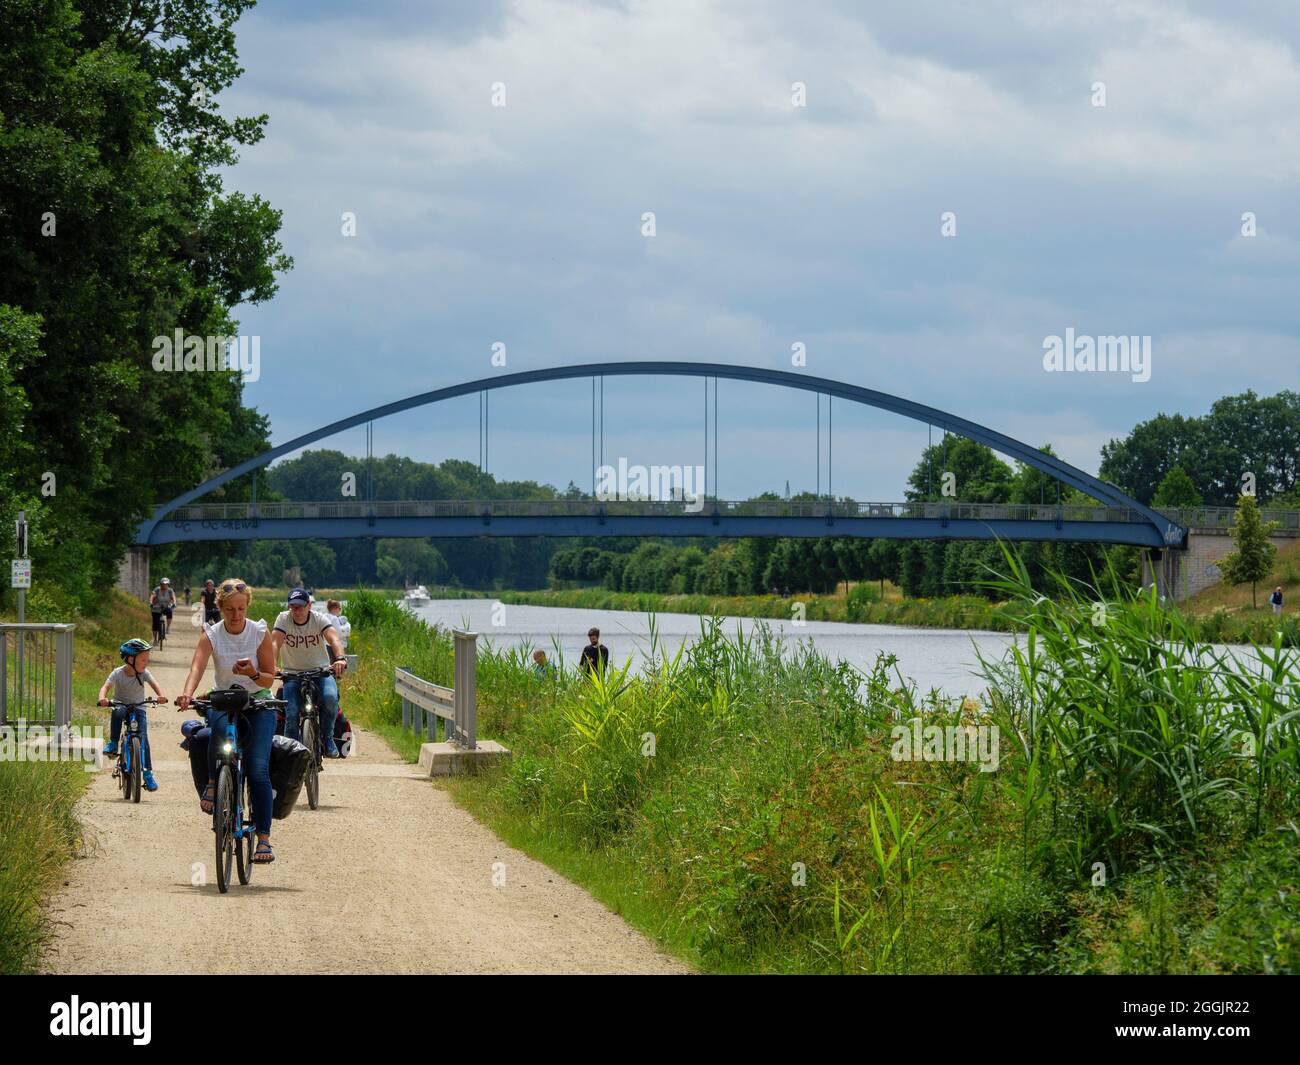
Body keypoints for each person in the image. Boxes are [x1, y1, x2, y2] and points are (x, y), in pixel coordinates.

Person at [177, 578, 280, 865]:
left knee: (258, 769)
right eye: (230, 609)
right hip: (224, 697)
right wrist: (187, 693)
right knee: (218, 733)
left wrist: (252, 675)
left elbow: (270, 676)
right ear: (220, 608)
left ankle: (263, 838)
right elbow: (197, 666)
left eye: (241, 609)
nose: (236, 615)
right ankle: (213, 781)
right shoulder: (211, 635)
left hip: (257, 700)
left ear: (247, 606)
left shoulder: (259, 632)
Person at [272, 588, 347, 756]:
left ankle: (327, 738)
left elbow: (333, 638)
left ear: (309, 606)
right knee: (291, 712)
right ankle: (291, 752)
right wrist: (272, 665)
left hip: (320, 671)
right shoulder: (283, 619)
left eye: (300, 606)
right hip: (292, 674)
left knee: (330, 698)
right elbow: (275, 643)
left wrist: (340, 658)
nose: (296, 610)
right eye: (292, 606)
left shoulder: (318, 618)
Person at [98, 638, 167, 791]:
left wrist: (161, 696)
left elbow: (155, 684)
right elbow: (105, 687)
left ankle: (148, 774)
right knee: (117, 712)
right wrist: (102, 698)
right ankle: (114, 743)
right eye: (143, 659)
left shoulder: (144, 673)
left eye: (147, 659)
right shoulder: (118, 673)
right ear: (130, 659)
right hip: (120, 704)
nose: (146, 663)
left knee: (143, 737)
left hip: (138, 707)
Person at [149, 577, 176, 641]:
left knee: (169, 611)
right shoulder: (157, 590)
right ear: (161, 584)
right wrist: (151, 603)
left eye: (166, 584)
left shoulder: (170, 590)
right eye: (163, 584)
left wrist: (174, 603)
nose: (165, 585)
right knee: (155, 624)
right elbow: (152, 596)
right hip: (156, 608)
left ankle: (168, 628)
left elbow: (173, 597)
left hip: (165, 607)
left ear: (168, 584)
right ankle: (155, 640)